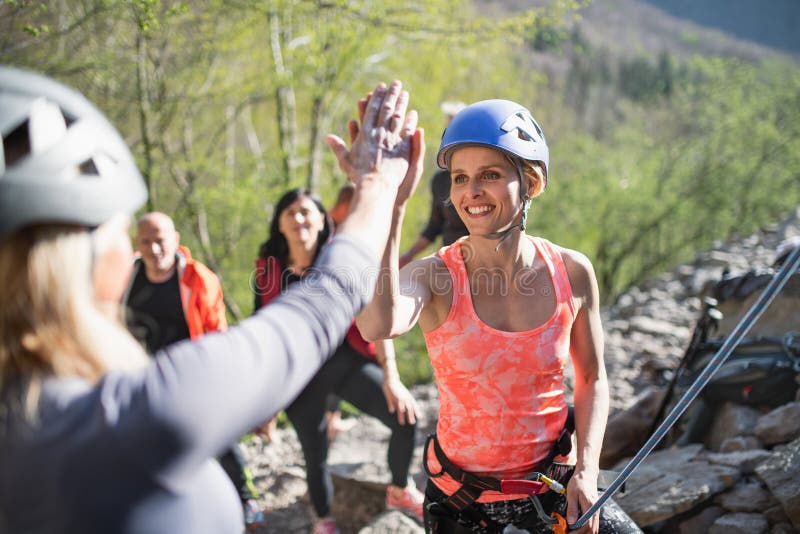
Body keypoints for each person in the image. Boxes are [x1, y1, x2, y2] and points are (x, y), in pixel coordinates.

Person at [0, 68, 424, 534]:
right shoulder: (135, 415)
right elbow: (318, 308)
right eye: (121, 231)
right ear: (92, 259)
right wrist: (379, 187)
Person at [356, 100, 642, 533]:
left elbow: (592, 378)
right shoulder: (435, 277)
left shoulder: (572, 273)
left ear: (530, 182)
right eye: (460, 178)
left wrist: (587, 470)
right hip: (463, 505)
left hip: (555, 488)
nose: (471, 191)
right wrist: (390, 207)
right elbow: (377, 324)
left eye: (490, 174)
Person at [253, 187, 424, 534]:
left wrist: (391, 375)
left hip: (346, 361)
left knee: (405, 418)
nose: (299, 219)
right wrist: (265, 400)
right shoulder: (268, 268)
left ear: (322, 219)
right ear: (280, 225)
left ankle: (399, 489)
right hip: (299, 376)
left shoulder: (340, 259)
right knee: (315, 455)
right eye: (291, 213)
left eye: (306, 212)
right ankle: (324, 520)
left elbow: (377, 316)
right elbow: (263, 333)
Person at [122, 211, 264, 530]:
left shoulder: (198, 278)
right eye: (146, 242)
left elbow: (217, 330)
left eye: (160, 241)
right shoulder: (125, 276)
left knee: (219, 438)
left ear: (174, 240)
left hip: (193, 372)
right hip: (142, 376)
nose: (154, 249)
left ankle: (246, 497)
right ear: (137, 244)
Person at [399, 101, 468, 267]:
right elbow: (434, 227)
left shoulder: (484, 178)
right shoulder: (440, 180)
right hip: (450, 265)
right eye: (449, 127)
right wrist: (408, 256)